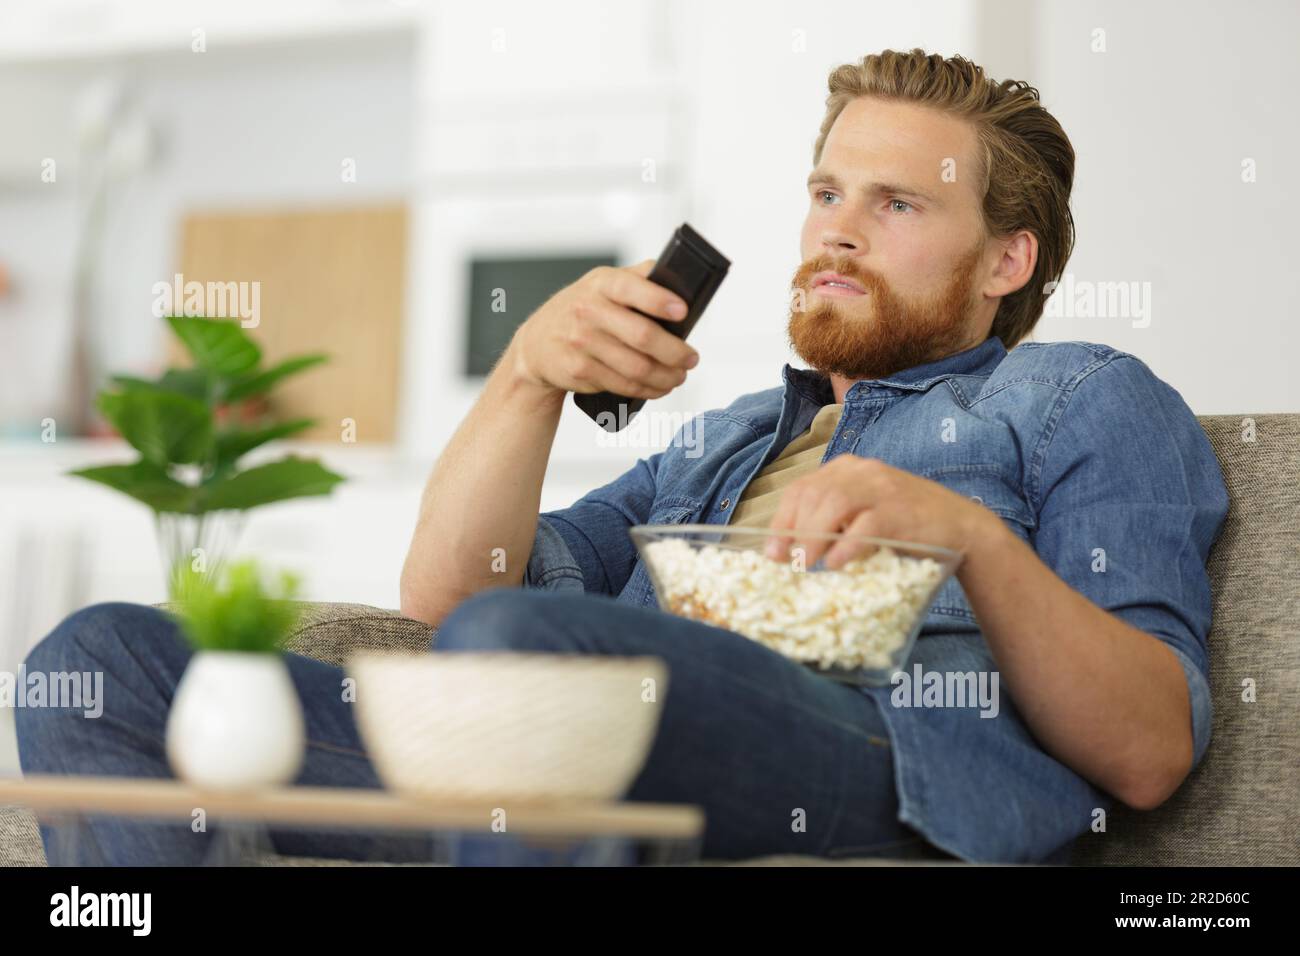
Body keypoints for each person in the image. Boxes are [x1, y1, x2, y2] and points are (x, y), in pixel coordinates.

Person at [18, 48, 1227, 866]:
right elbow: (454, 601)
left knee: (526, 663)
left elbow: (1150, 745)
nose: (836, 231)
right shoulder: (728, 434)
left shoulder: (1079, 397)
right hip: (595, 732)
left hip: (890, 758)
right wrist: (526, 375)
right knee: (103, 660)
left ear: (1006, 261)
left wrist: (959, 530)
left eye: (897, 204)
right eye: (825, 191)